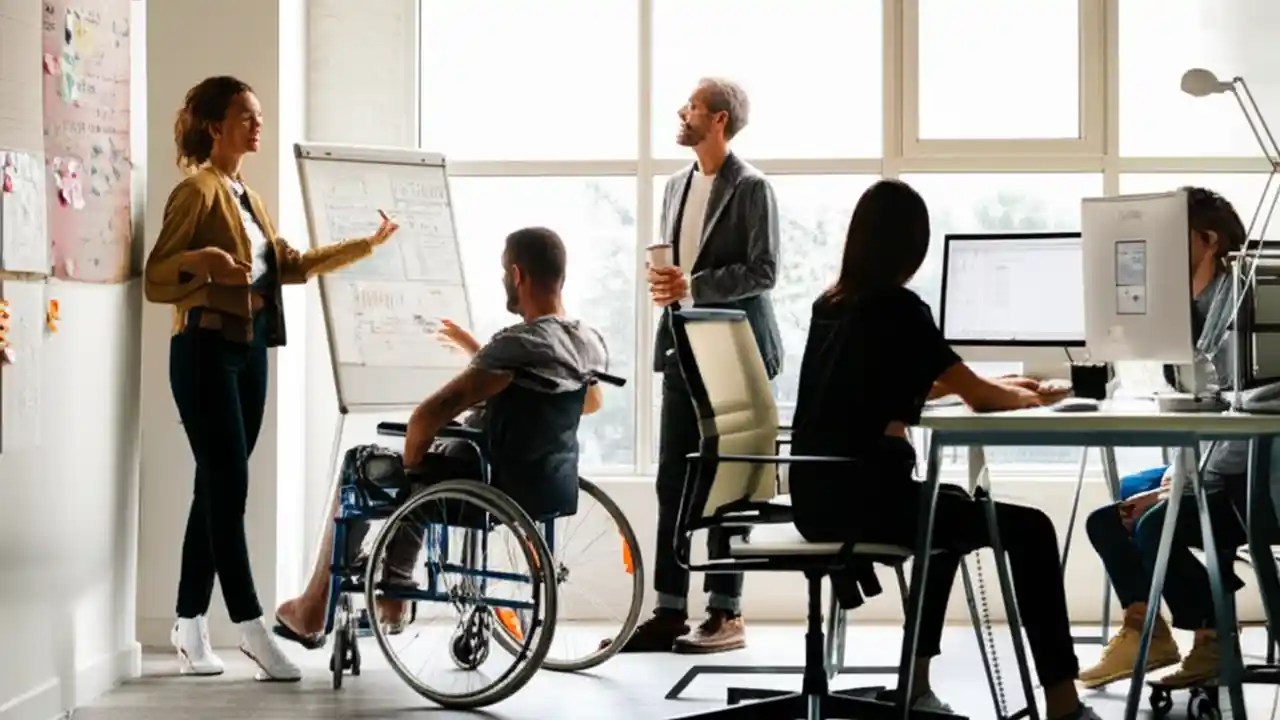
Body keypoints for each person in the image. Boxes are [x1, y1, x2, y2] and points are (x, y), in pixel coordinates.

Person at [787, 179, 1101, 720]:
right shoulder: (900, 307)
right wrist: (1033, 397)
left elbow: (892, 383)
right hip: (864, 499)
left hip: (818, 495)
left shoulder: (832, 305)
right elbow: (977, 397)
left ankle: (915, 685)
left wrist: (993, 386)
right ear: (912, 246)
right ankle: (1063, 703)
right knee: (1030, 529)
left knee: (945, 508)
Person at [144, 75, 399, 681]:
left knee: (217, 487)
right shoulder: (197, 191)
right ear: (215, 126)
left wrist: (367, 244)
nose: (258, 124)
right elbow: (157, 277)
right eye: (246, 115)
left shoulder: (244, 196)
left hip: (250, 349)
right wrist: (201, 265)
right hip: (203, 349)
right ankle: (252, 629)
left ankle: (187, 625)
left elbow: (290, 266)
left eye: (258, 115)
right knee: (228, 486)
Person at [273, 227, 608, 642]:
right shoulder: (588, 342)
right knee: (429, 467)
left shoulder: (516, 343)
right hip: (541, 480)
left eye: (505, 271)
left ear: (518, 275)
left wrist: (413, 467)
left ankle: (318, 607)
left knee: (367, 463)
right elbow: (588, 402)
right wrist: (478, 352)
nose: (504, 278)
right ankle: (393, 587)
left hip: (480, 475)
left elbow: (428, 416)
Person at [615, 77, 782, 655]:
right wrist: (669, 285)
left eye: (690, 106)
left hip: (734, 357)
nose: (680, 112)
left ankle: (725, 612)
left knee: (729, 484)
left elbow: (764, 271)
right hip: (682, 350)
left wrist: (696, 284)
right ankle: (668, 609)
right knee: (673, 479)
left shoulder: (752, 188)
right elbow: (679, 269)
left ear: (718, 120)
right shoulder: (673, 186)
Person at [1077, 187, 1250, 690]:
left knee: (1154, 523)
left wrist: (1177, 486)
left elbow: (1239, 427)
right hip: (1216, 463)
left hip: (1249, 476)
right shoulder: (1197, 307)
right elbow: (1205, 411)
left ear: (1207, 242)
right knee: (1108, 520)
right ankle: (1147, 633)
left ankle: (1216, 640)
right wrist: (1174, 478)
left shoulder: (1238, 308)